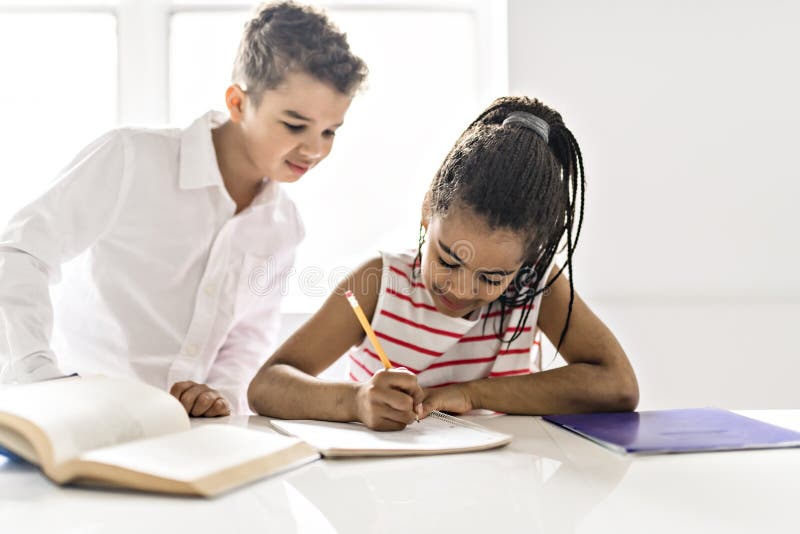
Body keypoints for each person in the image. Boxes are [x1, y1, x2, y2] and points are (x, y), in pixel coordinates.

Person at [0, 1, 367, 417]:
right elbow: (20, 253)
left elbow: (245, 342)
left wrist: (218, 400)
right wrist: (36, 375)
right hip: (77, 419)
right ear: (238, 103)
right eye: (295, 125)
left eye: (330, 131)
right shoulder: (131, 159)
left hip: (185, 439)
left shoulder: (284, 226)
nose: (316, 149)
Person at [248, 96, 639, 430]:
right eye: (449, 261)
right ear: (426, 211)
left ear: (527, 262)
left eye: (491, 277)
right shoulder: (380, 283)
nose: (460, 289)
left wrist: (471, 393)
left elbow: (618, 387)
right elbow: (267, 385)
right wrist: (356, 401)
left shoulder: (536, 288)